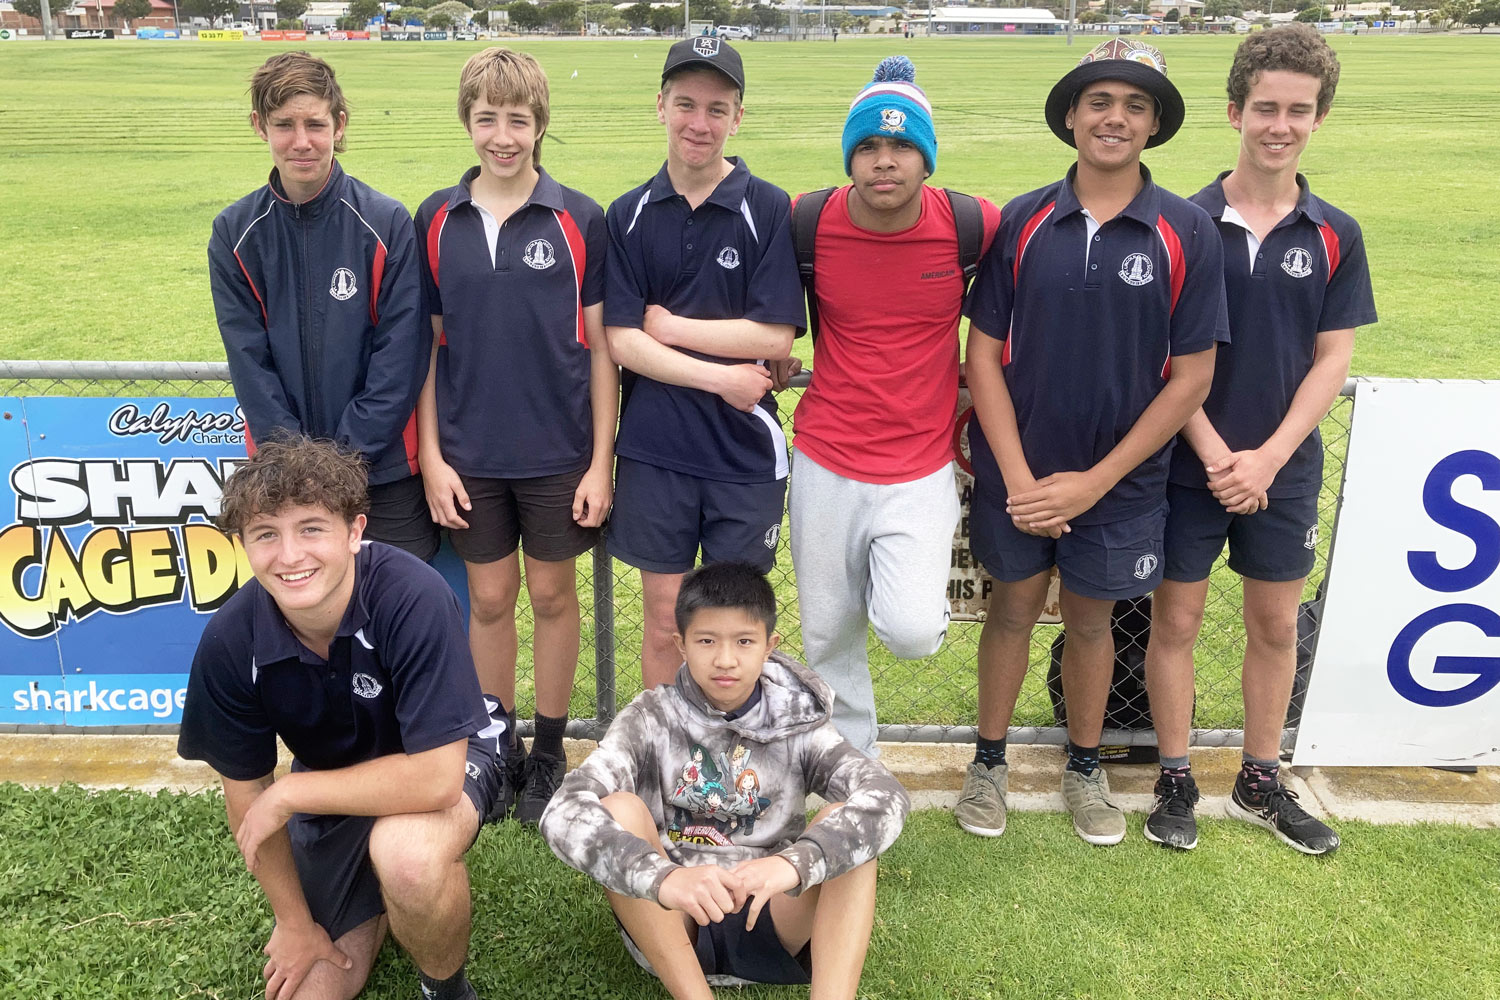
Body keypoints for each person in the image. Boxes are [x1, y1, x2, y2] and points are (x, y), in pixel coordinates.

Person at [958, 39, 1227, 846]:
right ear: (1072, 115)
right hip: (1019, 476)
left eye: (1136, 105)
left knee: (1090, 620)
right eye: (1100, 101)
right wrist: (1017, 478)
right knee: (1011, 610)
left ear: (1154, 124)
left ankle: (1084, 767)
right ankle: (988, 762)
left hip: (1122, 485)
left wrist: (1094, 482)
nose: (1116, 117)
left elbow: (1191, 379)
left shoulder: (1187, 230)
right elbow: (981, 355)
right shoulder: (1023, 219)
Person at [1143, 25, 1374, 854]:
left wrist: (1267, 458)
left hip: (1283, 469)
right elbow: (1162, 356)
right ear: (1235, 111)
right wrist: (1214, 454)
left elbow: (1332, 358)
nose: (1280, 125)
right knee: (1177, 621)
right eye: (1266, 107)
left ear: (1319, 119)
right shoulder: (1181, 222)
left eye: (1298, 111)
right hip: (1187, 460)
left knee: (1275, 626)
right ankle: (1175, 777)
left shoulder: (1336, 232)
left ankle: (1259, 780)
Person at [178, 437, 505, 1000]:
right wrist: (293, 923)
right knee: (314, 989)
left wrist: (289, 795)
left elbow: (436, 779)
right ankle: (372, 902)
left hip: (448, 753)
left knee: (406, 857)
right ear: (244, 545)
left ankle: (446, 991)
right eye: (265, 534)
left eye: (311, 529)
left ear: (355, 532)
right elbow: (246, 792)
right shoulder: (230, 640)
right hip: (337, 781)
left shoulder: (412, 596)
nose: (289, 556)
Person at [539, 562, 910, 1000]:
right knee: (619, 809)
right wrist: (662, 878)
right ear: (680, 645)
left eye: (744, 641)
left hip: (775, 913)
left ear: (770, 646)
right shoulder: (650, 719)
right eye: (706, 640)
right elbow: (562, 812)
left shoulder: (799, 721)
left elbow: (887, 798)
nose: (725, 659)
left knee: (845, 824)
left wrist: (796, 863)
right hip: (676, 920)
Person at [414, 47, 616, 825]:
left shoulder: (579, 218)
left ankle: (550, 751)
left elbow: (601, 351)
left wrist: (599, 462)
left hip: (559, 454)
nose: (503, 136)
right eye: (487, 118)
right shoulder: (437, 219)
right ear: (467, 122)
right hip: (470, 455)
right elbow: (429, 351)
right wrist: (434, 457)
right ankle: (494, 747)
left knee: (553, 595)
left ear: (540, 125)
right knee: (490, 599)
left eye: (519, 120)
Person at [779, 55, 1000, 756]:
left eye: (902, 146)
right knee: (827, 635)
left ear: (926, 158)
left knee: (908, 630)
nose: (885, 161)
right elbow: (762, 307)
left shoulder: (972, 225)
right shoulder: (806, 221)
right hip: (825, 456)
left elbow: (1030, 303)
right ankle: (851, 766)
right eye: (869, 145)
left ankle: (893, 590)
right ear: (850, 156)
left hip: (920, 466)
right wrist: (769, 352)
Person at [602, 37, 805, 690]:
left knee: (732, 627)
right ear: (660, 106)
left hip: (741, 453)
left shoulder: (767, 206)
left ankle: (732, 748)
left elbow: (775, 334)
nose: (699, 122)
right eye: (686, 104)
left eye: (717, 109)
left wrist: (671, 328)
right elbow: (622, 340)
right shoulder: (627, 214)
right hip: (656, 448)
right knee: (665, 620)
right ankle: (668, 747)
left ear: (737, 118)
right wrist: (722, 376)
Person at [208, 52, 436, 562]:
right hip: (282, 476)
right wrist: (297, 464)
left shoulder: (386, 221)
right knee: (304, 606)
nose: (301, 141)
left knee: (395, 605)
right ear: (259, 126)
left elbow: (399, 357)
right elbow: (249, 361)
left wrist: (341, 461)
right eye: (284, 125)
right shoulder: (234, 233)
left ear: (340, 124)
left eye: (315, 124)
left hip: (382, 472)